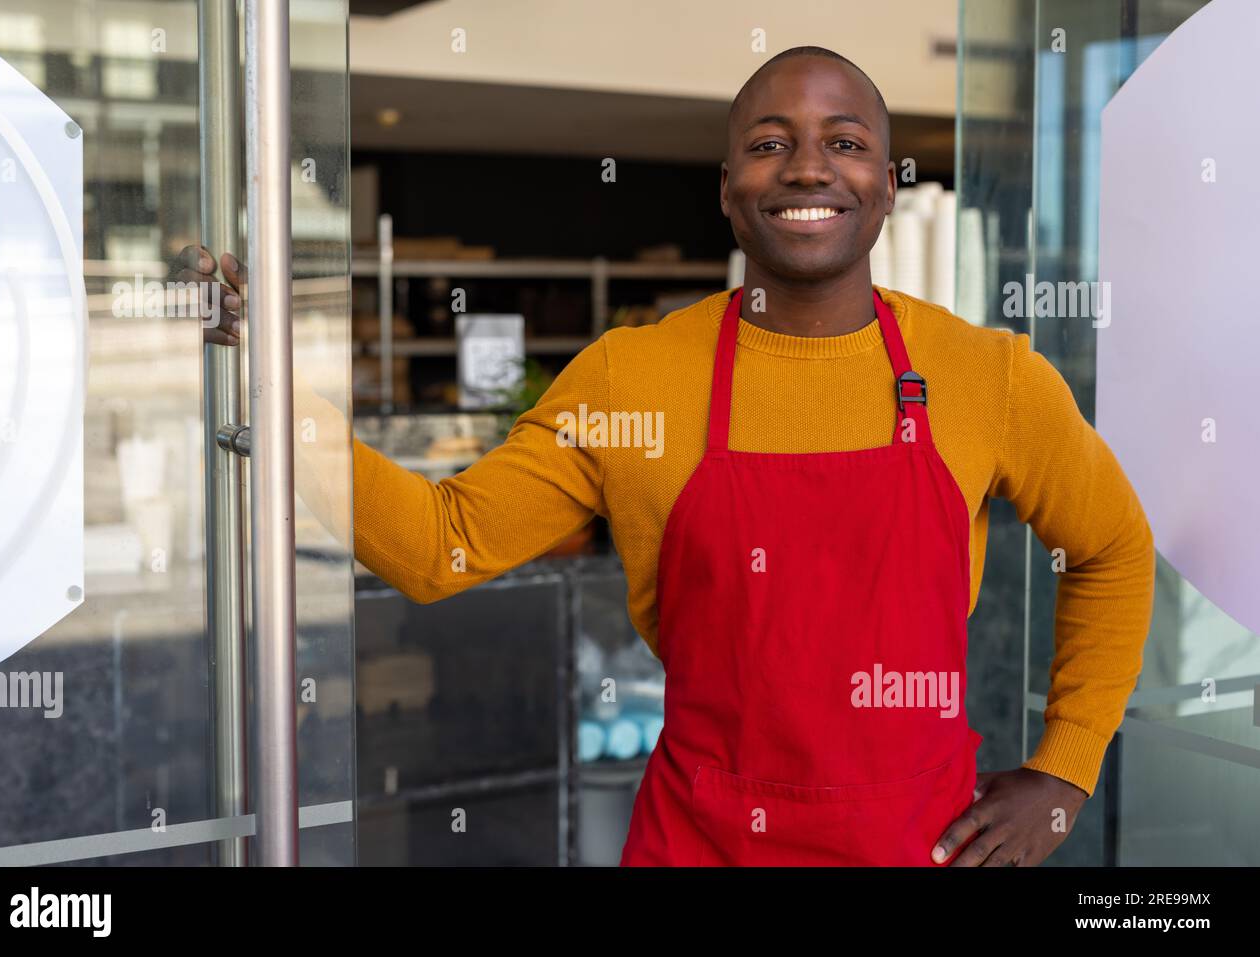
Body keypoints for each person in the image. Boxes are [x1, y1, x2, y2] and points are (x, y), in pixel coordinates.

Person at [179, 45, 1155, 867]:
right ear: (729, 192)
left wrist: (1065, 772)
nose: (807, 168)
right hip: (704, 842)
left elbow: (1112, 547)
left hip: (921, 840)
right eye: (769, 145)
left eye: (845, 144)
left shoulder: (988, 375)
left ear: (886, 187)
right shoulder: (630, 378)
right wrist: (277, 390)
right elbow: (443, 548)